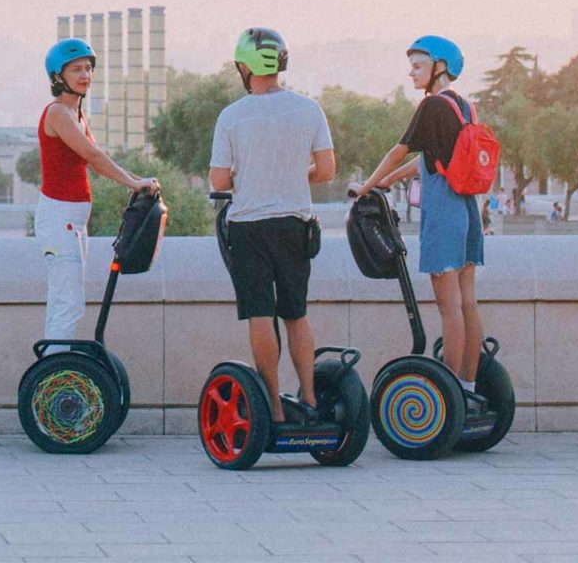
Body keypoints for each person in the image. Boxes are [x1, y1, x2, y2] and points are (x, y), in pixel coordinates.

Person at [351, 35, 487, 413]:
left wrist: (364, 187)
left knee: (450, 309)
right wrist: (389, 182)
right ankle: (468, 386)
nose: (411, 72)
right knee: (469, 304)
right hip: (468, 210)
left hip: (443, 211)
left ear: (439, 67)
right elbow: (434, 158)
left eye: (417, 65)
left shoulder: (431, 107)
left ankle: (451, 398)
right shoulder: (465, 107)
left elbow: (399, 150)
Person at [208, 27, 336, 424]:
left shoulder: (232, 116)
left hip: (249, 227)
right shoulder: (308, 109)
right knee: (296, 314)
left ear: (243, 67)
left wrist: (251, 176)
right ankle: (311, 400)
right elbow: (327, 170)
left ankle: (275, 410)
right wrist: (293, 176)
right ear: (281, 63)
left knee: (260, 314)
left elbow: (218, 181)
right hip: (295, 225)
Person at [37, 38, 159, 350]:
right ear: (57, 77)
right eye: (76, 69)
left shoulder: (76, 115)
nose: (85, 75)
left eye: (89, 69)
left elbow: (98, 158)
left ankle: (55, 369)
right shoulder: (57, 113)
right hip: (59, 217)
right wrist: (134, 184)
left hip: (74, 221)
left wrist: (138, 181)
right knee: (68, 303)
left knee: (68, 302)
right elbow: (93, 157)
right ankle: (53, 378)